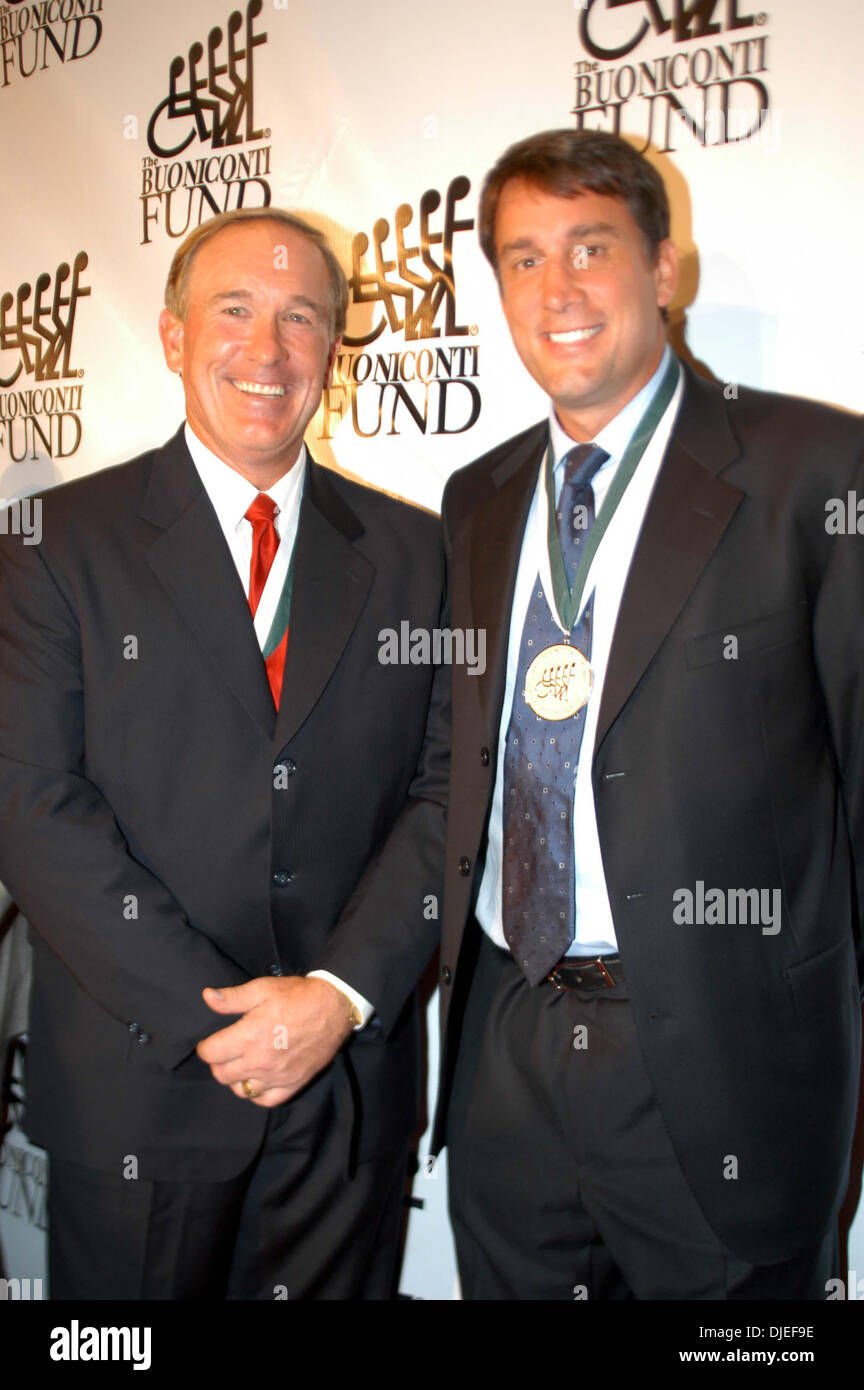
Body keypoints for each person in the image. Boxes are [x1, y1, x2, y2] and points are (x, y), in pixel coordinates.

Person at [432, 128, 864, 1300]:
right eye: (522, 259)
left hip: (724, 1061)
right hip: (507, 1046)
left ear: (664, 269)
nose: (557, 289)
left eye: (591, 247)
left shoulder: (814, 470)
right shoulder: (475, 498)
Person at [0, 208, 446, 1300]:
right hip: (138, 1092)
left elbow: (449, 795)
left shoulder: (416, 552)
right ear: (169, 335)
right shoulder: (52, 545)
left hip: (347, 1096)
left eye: (301, 319)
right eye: (234, 310)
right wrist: (230, 1023)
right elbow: (31, 806)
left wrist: (336, 997)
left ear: (334, 352)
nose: (268, 349)